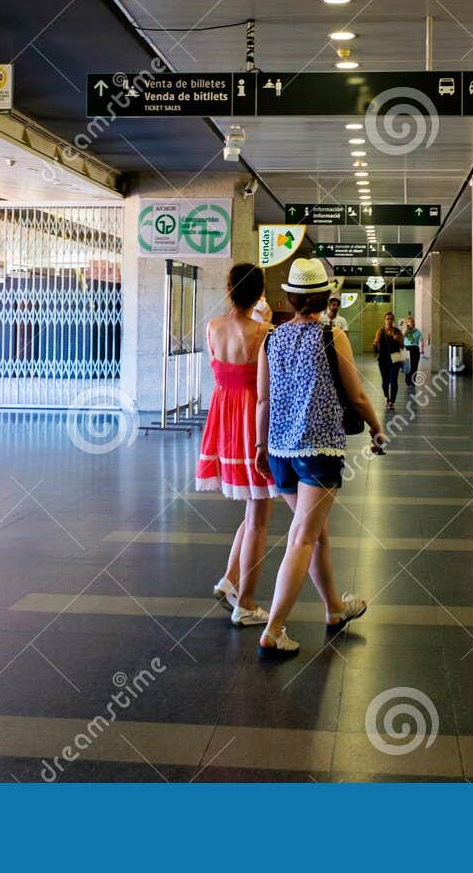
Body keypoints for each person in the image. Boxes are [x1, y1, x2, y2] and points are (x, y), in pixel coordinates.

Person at [254, 258, 384, 661]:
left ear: (289, 298)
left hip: (280, 454)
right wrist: (377, 427)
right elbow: (358, 395)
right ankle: (274, 629)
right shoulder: (332, 336)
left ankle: (334, 608)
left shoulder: (270, 339)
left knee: (316, 533)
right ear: (326, 296)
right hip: (319, 452)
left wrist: (260, 447)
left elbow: (263, 399)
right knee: (303, 537)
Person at [196, 262, 277, 627]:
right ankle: (245, 603)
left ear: (229, 288)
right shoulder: (264, 332)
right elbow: (265, 391)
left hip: (223, 421)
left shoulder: (212, 327)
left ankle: (229, 578)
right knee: (259, 515)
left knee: (251, 509)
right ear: (259, 293)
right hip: (252, 425)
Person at [372, 311, 405, 410]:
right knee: (385, 381)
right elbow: (375, 342)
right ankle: (387, 397)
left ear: (393, 320)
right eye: (387, 319)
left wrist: (397, 339)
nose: (389, 321)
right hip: (383, 359)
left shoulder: (397, 331)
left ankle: (392, 402)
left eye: (391, 319)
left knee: (393, 380)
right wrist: (375, 344)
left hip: (395, 360)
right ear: (384, 320)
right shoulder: (380, 331)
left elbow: (402, 346)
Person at [402, 316, 424, 385]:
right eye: (410, 321)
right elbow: (402, 336)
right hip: (407, 348)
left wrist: (422, 348)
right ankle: (408, 380)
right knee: (408, 365)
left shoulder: (417, 331)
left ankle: (413, 380)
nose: (412, 323)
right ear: (408, 323)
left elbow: (421, 340)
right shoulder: (405, 330)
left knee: (415, 366)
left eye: (413, 321)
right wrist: (407, 328)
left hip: (415, 348)